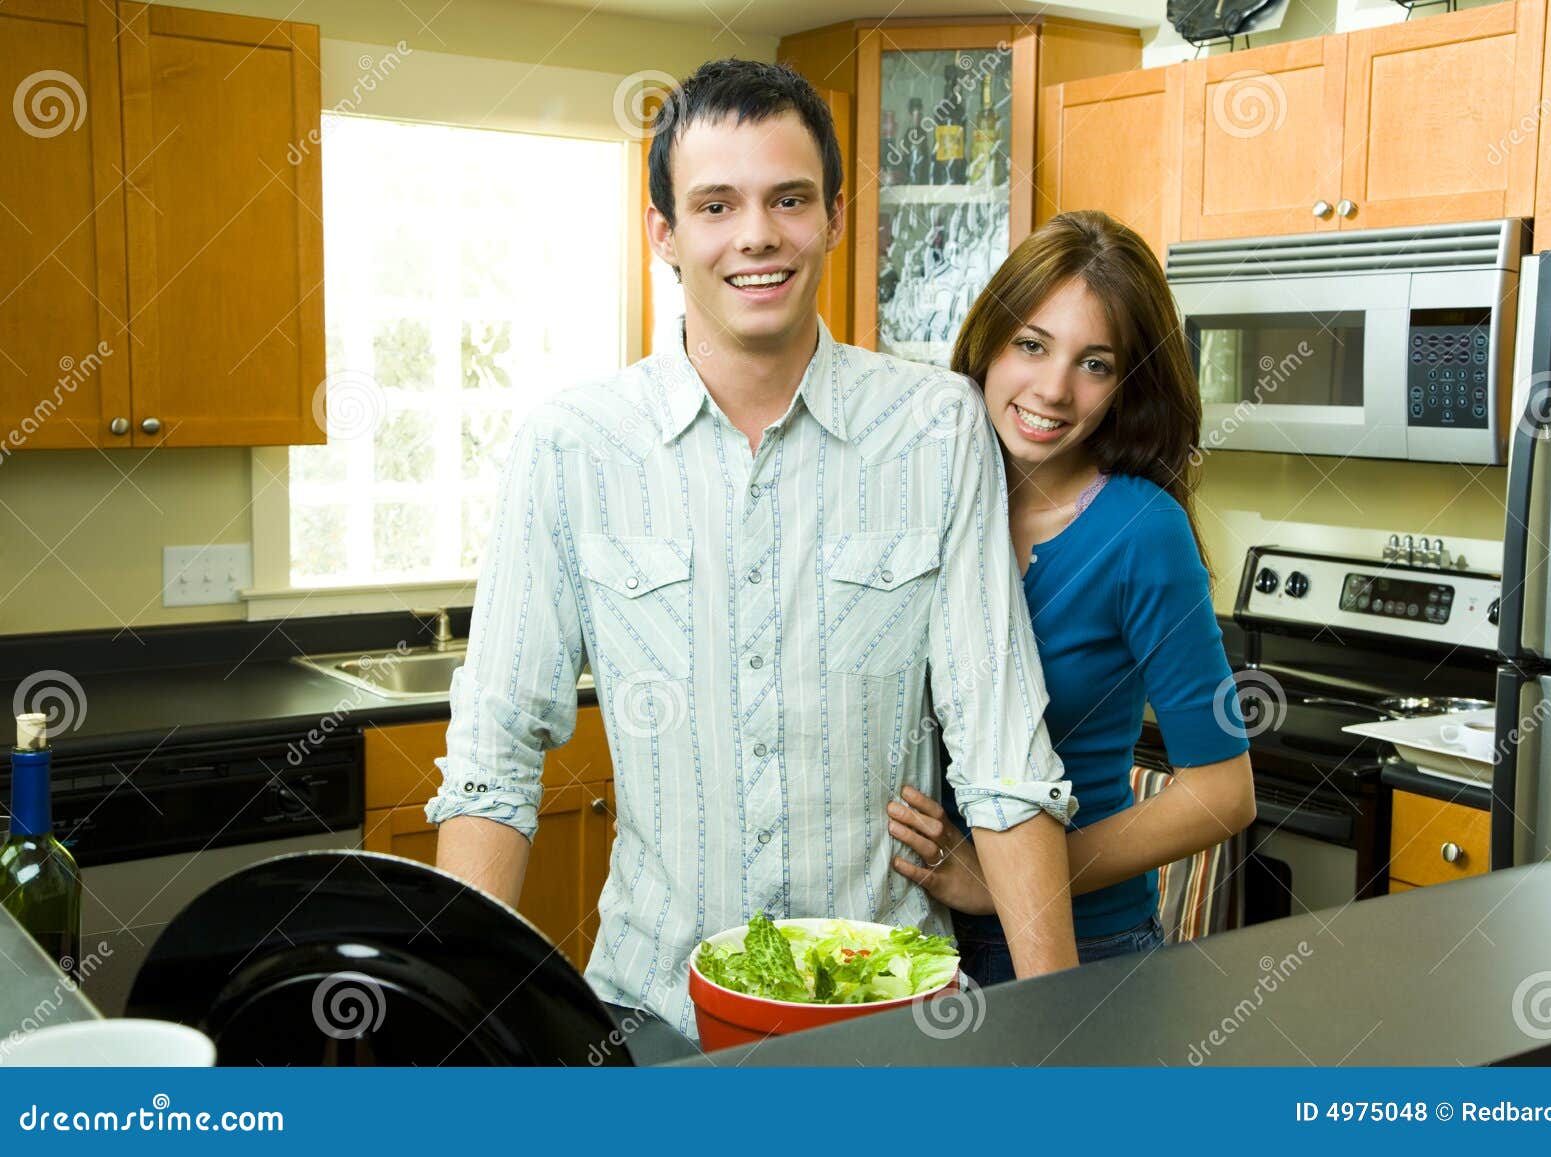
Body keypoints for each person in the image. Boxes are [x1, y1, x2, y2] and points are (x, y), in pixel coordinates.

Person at [426, 59, 1081, 1052]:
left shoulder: (937, 429)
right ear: (664, 232)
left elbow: (1003, 761)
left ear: (834, 215)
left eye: (788, 198)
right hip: (652, 1017)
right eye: (715, 203)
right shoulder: (573, 446)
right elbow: (493, 765)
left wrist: (1060, 1044)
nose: (756, 234)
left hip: (892, 1016)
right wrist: (454, 1039)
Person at [884, 210, 1257, 985]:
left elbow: (1222, 791)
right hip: (914, 941)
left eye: (1095, 363)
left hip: (1089, 953)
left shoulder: (1140, 531)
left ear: (1128, 383)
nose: (1052, 390)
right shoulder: (923, 499)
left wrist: (1006, 881)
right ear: (989, 341)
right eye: (1031, 344)